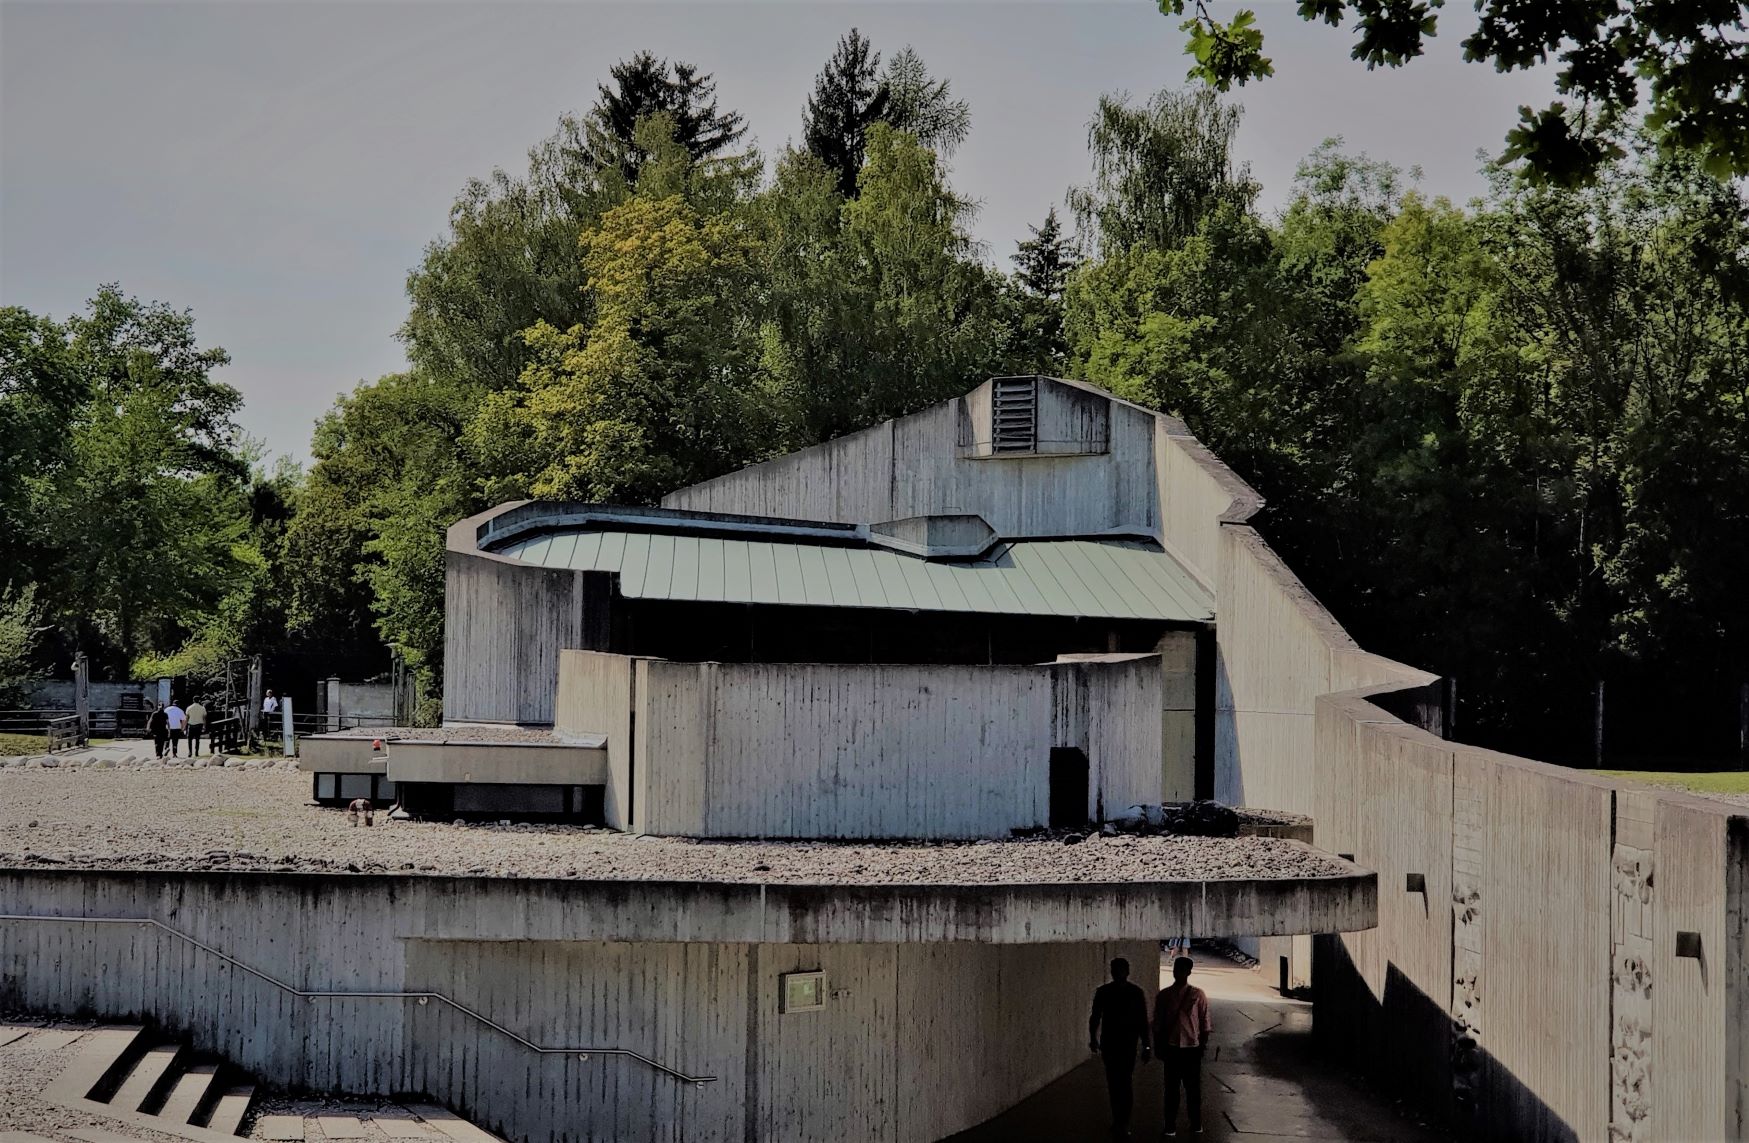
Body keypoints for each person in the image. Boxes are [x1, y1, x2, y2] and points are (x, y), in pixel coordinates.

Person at [1089, 957, 1151, 1136]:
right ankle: (1123, 1121)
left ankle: (1120, 1120)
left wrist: (1093, 1038)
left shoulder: (1104, 992)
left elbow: (1095, 1018)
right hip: (1125, 1043)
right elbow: (1142, 1020)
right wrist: (1146, 1045)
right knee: (1123, 1082)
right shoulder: (1135, 992)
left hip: (1113, 1043)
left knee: (1116, 1083)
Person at [1154, 956, 1213, 1137]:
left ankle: (1195, 1123)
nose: (1177, 973)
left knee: (1192, 1090)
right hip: (1172, 1048)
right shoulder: (1164, 995)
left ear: (1188, 972)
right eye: (1176, 969)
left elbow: (1205, 1023)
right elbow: (1158, 1023)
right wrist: (1158, 1046)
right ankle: (1171, 1125)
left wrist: (1201, 1047)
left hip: (1191, 1048)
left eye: (1181, 970)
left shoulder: (1198, 995)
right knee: (1171, 1090)